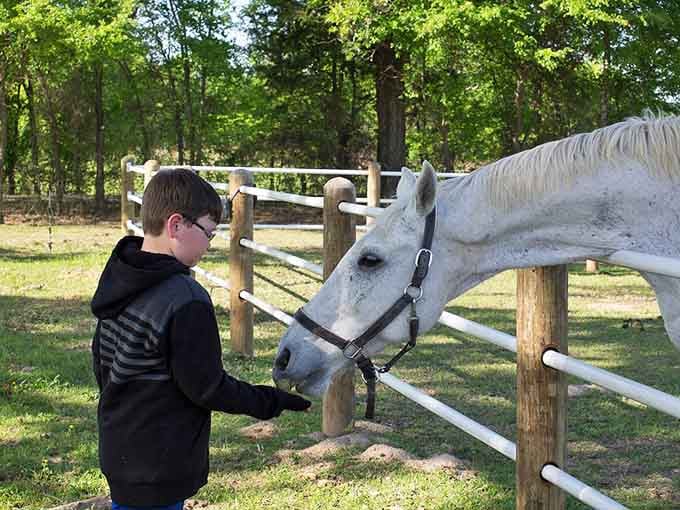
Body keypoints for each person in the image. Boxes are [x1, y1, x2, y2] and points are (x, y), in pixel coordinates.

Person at [90, 169, 311, 509]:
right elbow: (207, 388)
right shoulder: (185, 299)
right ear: (176, 225)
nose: (210, 244)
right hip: (159, 467)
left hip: (119, 452)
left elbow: (101, 363)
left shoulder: (120, 278)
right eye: (209, 233)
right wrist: (270, 401)